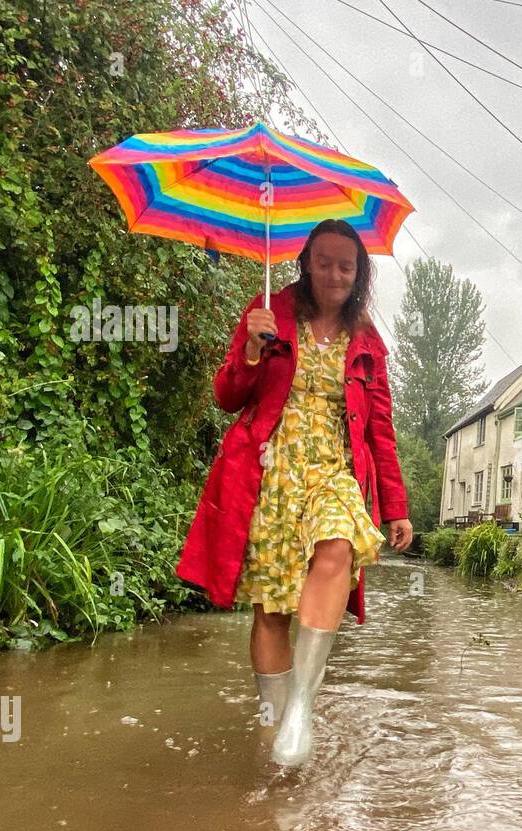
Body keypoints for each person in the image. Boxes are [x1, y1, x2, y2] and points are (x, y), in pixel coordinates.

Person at [176, 218, 413, 767]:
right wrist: (252, 352)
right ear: (306, 263)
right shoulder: (268, 315)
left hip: (334, 469)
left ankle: (301, 705)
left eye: (346, 265)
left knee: (337, 547)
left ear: (359, 275)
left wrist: (395, 508)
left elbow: (380, 428)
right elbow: (226, 396)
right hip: (268, 469)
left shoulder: (368, 341)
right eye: (325, 261)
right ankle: (272, 721)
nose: (335, 273)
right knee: (271, 609)